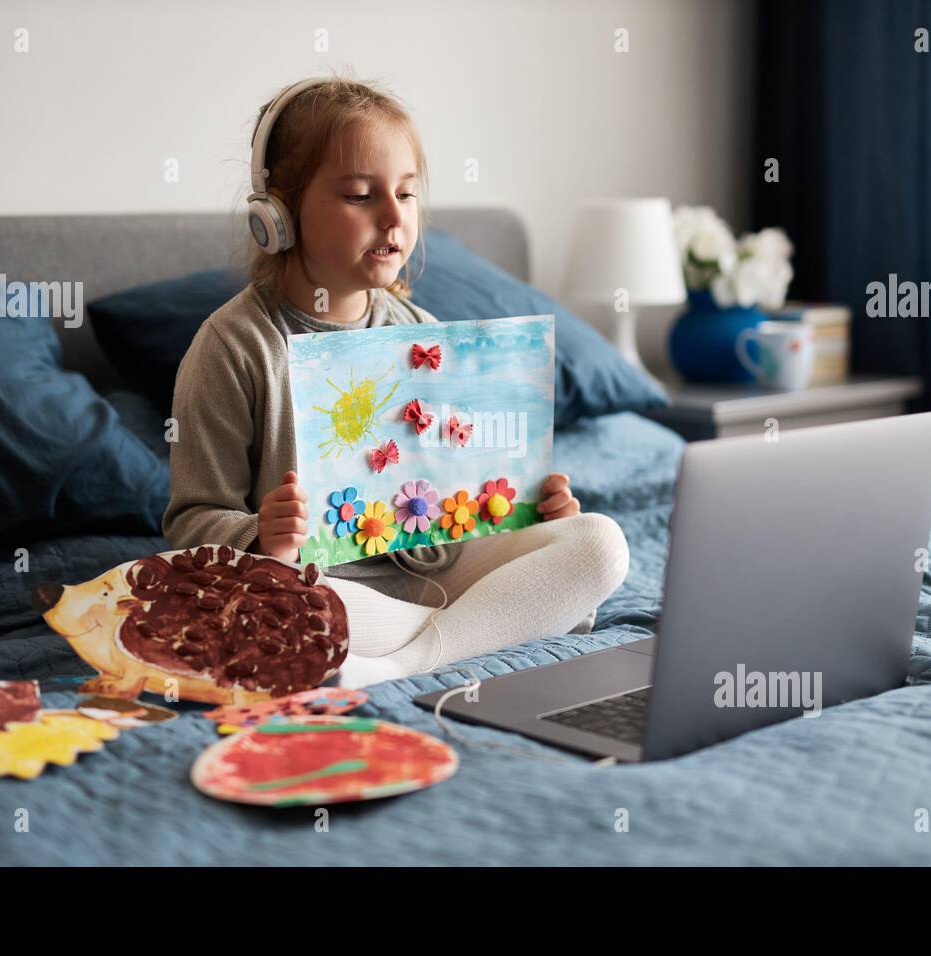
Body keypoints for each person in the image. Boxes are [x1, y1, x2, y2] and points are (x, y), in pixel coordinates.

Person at [163, 74, 629, 688]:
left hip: (437, 572)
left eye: (406, 195)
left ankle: (409, 658)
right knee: (230, 602)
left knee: (600, 543)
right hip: (324, 587)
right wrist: (259, 537)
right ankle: (483, 627)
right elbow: (192, 520)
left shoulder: (422, 331)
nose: (392, 217)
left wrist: (530, 516)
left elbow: (453, 497)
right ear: (276, 212)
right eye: (360, 195)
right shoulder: (234, 346)